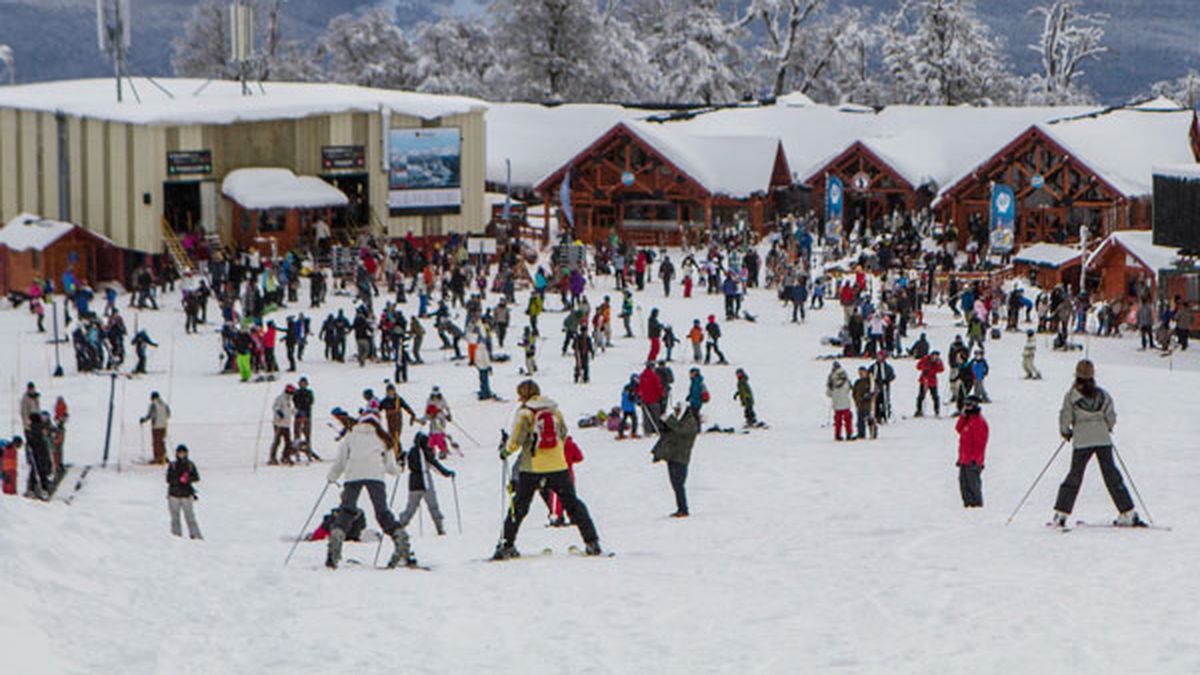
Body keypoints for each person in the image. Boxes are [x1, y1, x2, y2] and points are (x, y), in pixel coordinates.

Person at [494, 380, 602, 559]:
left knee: (519, 505)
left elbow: (516, 440)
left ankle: (507, 545)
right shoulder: (554, 410)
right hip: (558, 465)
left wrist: (505, 451)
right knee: (572, 503)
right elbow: (564, 433)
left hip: (532, 467)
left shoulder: (524, 413)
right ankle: (592, 542)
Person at [1050, 360, 1144, 528]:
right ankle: (1128, 512)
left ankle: (1061, 514)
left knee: (1075, 475)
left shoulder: (1071, 396)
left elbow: (1065, 416)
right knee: (1111, 475)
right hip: (1102, 439)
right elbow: (1111, 416)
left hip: (1082, 441)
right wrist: (1106, 428)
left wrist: (1066, 432)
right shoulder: (1103, 395)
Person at [325, 410, 415, 569]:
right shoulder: (382, 438)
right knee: (382, 512)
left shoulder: (351, 436)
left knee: (347, 510)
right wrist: (400, 469)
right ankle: (402, 545)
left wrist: (332, 477)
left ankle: (334, 548)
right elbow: (391, 468)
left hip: (353, 476)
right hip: (375, 477)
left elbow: (340, 461)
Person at [397, 432, 455, 536]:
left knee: (411, 507)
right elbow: (435, 465)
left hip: (413, 482)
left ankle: (400, 526)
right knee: (433, 505)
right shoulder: (426, 452)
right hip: (425, 481)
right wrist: (447, 473)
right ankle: (439, 527)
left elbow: (400, 462)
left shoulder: (409, 452)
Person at [651, 403, 699, 518]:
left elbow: (680, 431)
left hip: (681, 458)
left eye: (678, 410)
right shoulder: (676, 421)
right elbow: (668, 436)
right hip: (672, 456)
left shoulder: (690, 423)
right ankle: (680, 508)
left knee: (679, 484)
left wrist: (669, 421)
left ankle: (684, 509)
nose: (676, 412)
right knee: (675, 484)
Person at [955, 396, 988, 508]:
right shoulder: (968, 420)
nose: (966, 408)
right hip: (964, 459)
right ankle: (967, 506)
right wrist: (963, 417)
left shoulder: (979, 422)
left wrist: (976, 460)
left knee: (973, 487)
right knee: (963, 485)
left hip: (973, 461)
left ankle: (976, 508)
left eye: (968, 405)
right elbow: (958, 429)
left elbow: (980, 444)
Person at [166, 444, 203, 539]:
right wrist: (178, 479)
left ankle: (195, 536)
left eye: (183, 453)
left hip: (187, 495)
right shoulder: (173, 465)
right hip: (174, 495)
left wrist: (188, 479)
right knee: (175, 518)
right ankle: (176, 536)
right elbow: (168, 479)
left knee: (190, 517)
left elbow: (196, 477)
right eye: (180, 453)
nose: (181, 455)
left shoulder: (190, 465)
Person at [139, 392, 171, 465]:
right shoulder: (164, 404)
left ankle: (157, 458)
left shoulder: (154, 405)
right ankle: (163, 457)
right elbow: (168, 414)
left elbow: (151, 415)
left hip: (156, 426)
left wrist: (143, 420)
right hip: (164, 426)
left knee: (156, 442)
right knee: (162, 442)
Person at [269, 385, 295, 465]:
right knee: (277, 441)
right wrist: (279, 413)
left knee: (288, 442)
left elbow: (291, 410)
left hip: (286, 424)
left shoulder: (290, 400)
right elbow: (275, 407)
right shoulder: (280, 398)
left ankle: (285, 457)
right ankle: (272, 458)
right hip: (279, 424)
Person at [826, 362, 853, 441]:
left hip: (836, 400)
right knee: (848, 418)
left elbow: (829, 392)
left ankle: (837, 435)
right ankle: (849, 433)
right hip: (845, 400)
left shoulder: (831, 377)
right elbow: (848, 387)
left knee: (838, 419)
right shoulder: (845, 375)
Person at [914, 351, 944, 417]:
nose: (935, 358)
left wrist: (937, 365)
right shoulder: (925, 359)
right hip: (924, 380)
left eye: (937, 356)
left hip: (932, 381)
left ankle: (937, 411)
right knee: (921, 396)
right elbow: (918, 366)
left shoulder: (938, 361)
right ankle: (919, 410)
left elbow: (941, 369)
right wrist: (924, 368)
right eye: (934, 356)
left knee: (935, 396)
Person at [851, 366, 876, 440]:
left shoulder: (870, 381)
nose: (861, 374)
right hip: (860, 404)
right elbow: (854, 392)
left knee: (870, 419)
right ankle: (861, 434)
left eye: (862, 372)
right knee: (860, 420)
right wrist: (856, 400)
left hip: (868, 404)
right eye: (859, 373)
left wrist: (869, 395)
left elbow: (874, 390)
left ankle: (873, 432)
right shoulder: (857, 382)